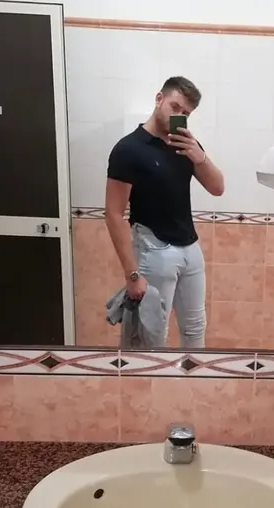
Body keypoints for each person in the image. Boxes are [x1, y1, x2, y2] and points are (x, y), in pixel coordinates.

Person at [105, 76, 224, 349]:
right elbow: (113, 214)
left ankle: (191, 378)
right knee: (151, 336)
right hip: (154, 250)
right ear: (159, 99)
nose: (179, 115)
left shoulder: (185, 145)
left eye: (186, 113)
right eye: (175, 107)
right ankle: (148, 379)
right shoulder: (128, 149)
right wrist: (131, 274)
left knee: (196, 328)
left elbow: (218, 187)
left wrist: (200, 157)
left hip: (191, 250)